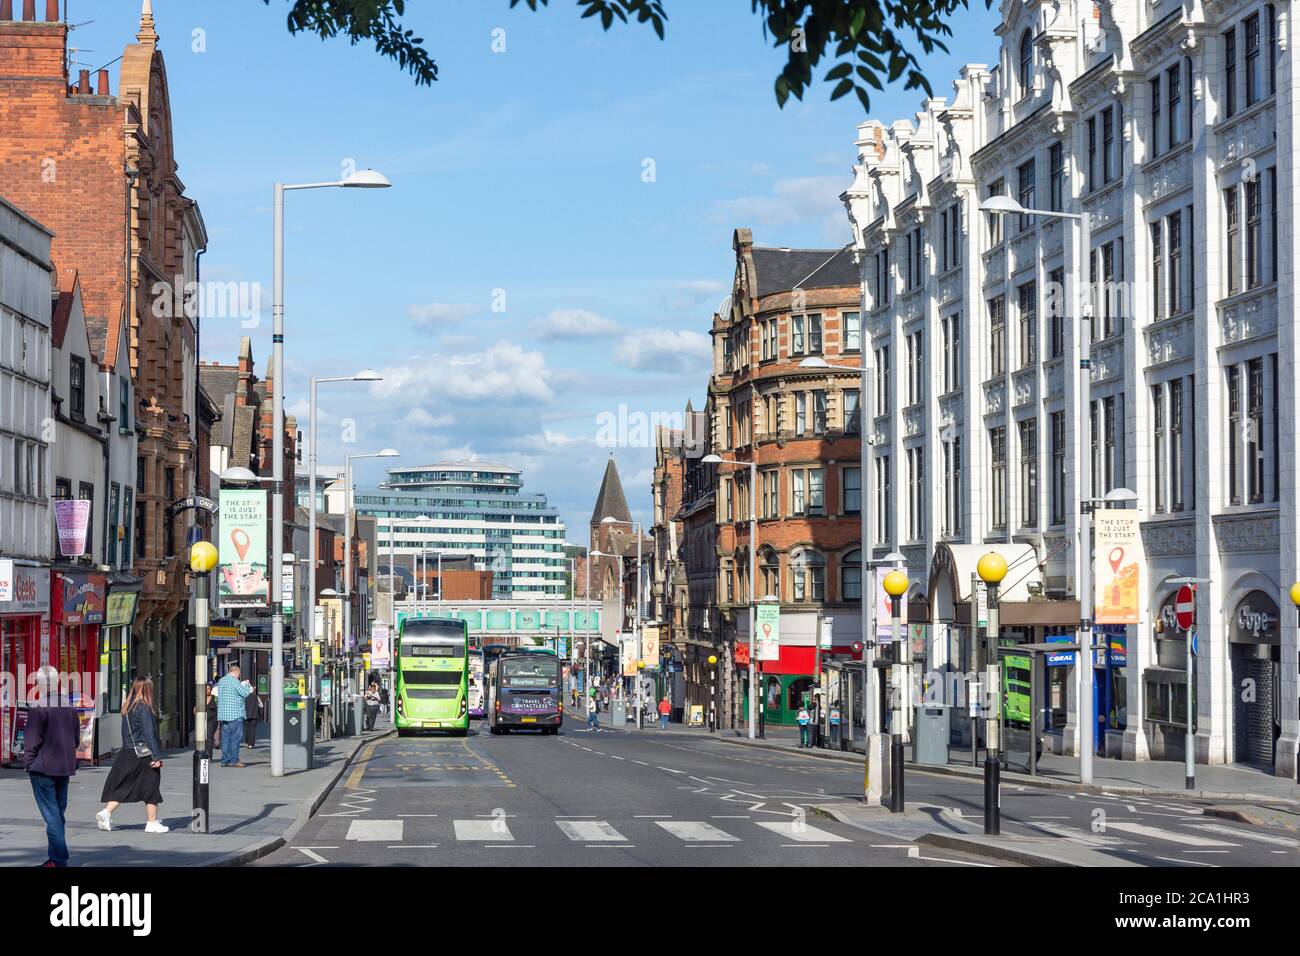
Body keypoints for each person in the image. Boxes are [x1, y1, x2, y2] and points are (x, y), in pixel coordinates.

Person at [23, 666, 82, 867]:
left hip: (43, 768)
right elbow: (75, 739)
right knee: (57, 815)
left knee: (52, 816)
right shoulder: (69, 709)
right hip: (64, 767)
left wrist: (28, 763)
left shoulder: (39, 709)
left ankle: (59, 859)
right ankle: (55, 858)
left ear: (39, 684)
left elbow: (31, 741)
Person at [97, 677, 167, 834]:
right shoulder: (143, 707)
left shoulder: (127, 706)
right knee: (152, 787)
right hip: (143, 753)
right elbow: (149, 733)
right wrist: (156, 756)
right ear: (147, 689)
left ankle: (106, 812)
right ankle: (152, 823)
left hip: (128, 751)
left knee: (124, 785)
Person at [215, 664, 253, 767]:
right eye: (238, 674)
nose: (238, 677)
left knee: (226, 738)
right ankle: (234, 760)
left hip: (223, 714)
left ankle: (224, 760)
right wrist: (247, 685)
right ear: (236, 672)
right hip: (235, 714)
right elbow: (245, 693)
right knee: (235, 738)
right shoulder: (234, 681)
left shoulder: (221, 681)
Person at [243, 681, 263, 748]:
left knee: (247, 729)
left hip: (246, 715)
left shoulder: (244, 697)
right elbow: (261, 705)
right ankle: (251, 744)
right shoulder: (256, 697)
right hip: (254, 715)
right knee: (252, 730)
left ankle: (248, 742)